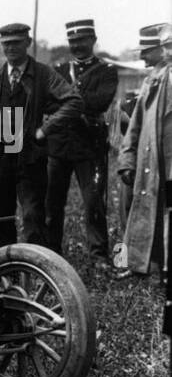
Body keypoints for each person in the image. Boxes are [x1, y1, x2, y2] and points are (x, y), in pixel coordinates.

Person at [0, 23, 82, 249]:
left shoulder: (44, 74)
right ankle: (7, 272)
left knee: (33, 216)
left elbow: (73, 101)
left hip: (30, 157)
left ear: (28, 43)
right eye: (6, 44)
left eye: (16, 43)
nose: (11, 49)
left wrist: (45, 129)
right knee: (0, 215)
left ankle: (36, 271)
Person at [46, 19, 118, 260]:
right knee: (52, 204)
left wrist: (66, 102)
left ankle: (98, 257)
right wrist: (78, 103)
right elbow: (48, 102)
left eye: (82, 41)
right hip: (59, 146)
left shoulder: (106, 71)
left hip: (90, 147)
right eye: (72, 41)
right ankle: (51, 254)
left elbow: (101, 102)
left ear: (93, 40)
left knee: (94, 203)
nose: (77, 46)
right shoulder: (58, 70)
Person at [117, 23, 172, 277]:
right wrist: (127, 158)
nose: (141, 56)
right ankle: (143, 266)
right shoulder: (152, 80)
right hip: (151, 163)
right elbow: (136, 125)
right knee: (145, 211)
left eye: (147, 51)